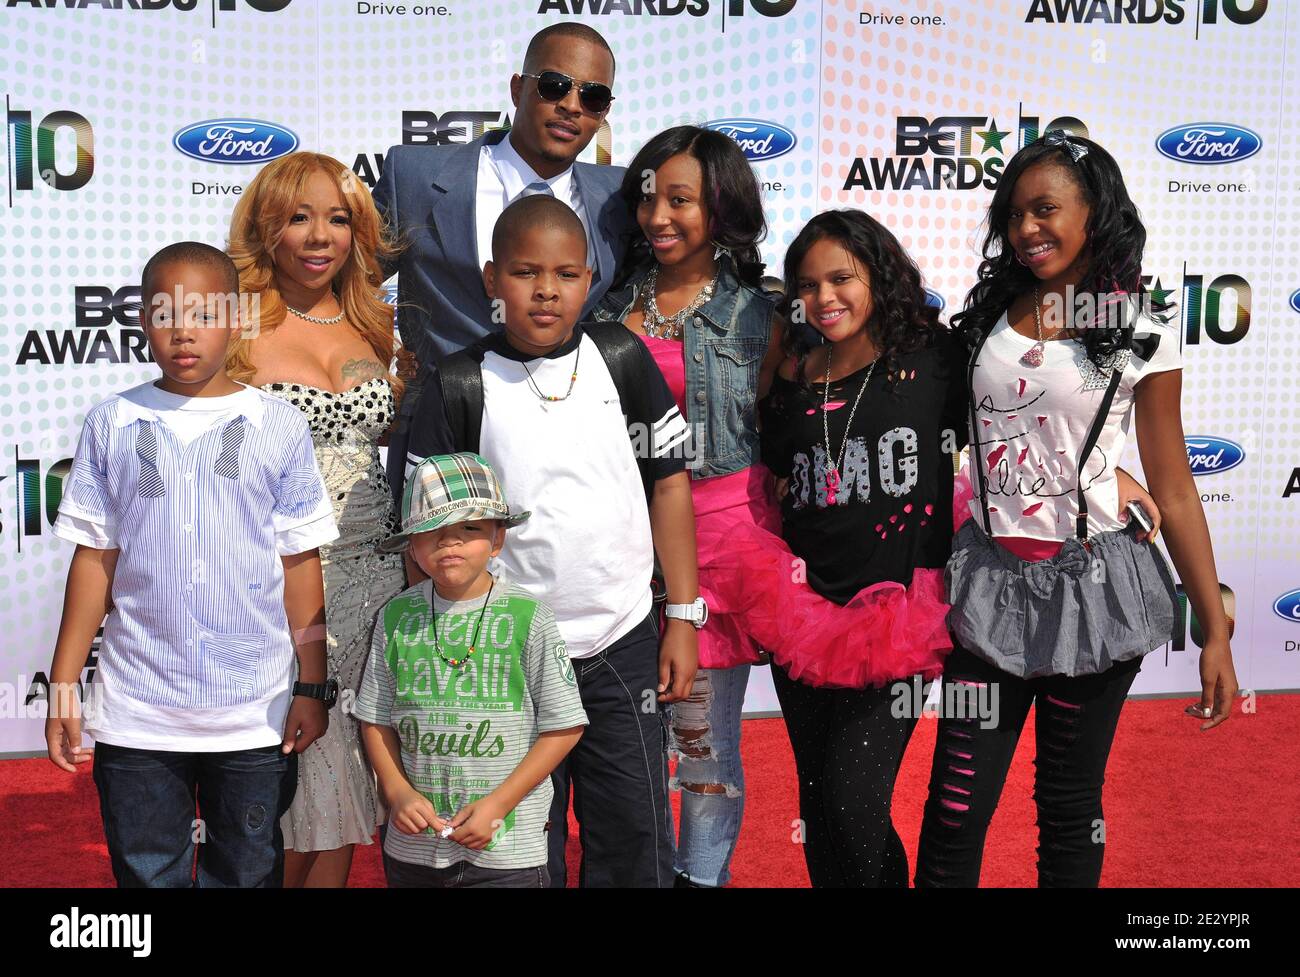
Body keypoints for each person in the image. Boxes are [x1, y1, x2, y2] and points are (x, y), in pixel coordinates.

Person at [914, 133, 1239, 888]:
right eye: (1016, 213)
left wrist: (1214, 629)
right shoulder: (992, 311)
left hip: (1091, 594)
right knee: (954, 807)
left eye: (1047, 209)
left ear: (1095, 212)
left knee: (1069, 809)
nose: (1028, 228)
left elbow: (1176, 483)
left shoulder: (1140, 327)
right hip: (986, 587)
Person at [404, 194, 701, 887]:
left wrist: (683, 614)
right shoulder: (457, 384)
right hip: (501, 657)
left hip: (619, 646)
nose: (545, 290)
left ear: (590, 277)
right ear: (489, 278)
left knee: (635, 836)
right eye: (525, 272)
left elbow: (670, 485)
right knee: (517, 845)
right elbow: (425, 537)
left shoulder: (621, 358)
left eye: (566, 274)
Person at [44, 242, 338, 888]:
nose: (182, 330)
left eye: (202, 311)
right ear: (142, 320)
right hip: (136, 711)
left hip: (253, 713)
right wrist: (65, 685)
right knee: (146, 876)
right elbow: (94, 562)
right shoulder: (112, 422)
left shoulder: (278, 425)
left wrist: (311, 685)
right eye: (164, 312)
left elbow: (300, 563)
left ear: (235, 317)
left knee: (247, 873)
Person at [591, 125, 784, 888]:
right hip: (615, 548)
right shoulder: (605, 303)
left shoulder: (759, 315)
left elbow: (786, 421)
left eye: (682, 200)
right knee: (629, 751)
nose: (659, 216)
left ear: (723, 208)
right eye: (649, 197)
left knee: (703, 753)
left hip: (718, 556)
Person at [757, 211, 965, 887]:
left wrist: (1115, 467)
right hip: (804, 614)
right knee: (819, 805)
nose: (825, 298)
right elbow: (769, 470)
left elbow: (1018, 427)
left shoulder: (934, 357)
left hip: (899, 614)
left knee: (854, 800)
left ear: (878, 273)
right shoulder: (793, 370)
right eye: (810, 285)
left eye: (841, 277)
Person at [226, 151, 408, 887]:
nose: (318, 235)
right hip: (283, 586)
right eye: (298, 216)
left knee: (349, 791)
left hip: (377, 584)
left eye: (337, 218)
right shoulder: (234, 322)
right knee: (299, 790)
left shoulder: (378, 321)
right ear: (266, 225)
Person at [374, 23, 635, 504]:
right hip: (443, 441)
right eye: (555, 85)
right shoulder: (416, 177)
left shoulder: (619, 197)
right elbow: (347, 283)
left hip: (570, 451)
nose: (572, 106)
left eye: (594, 97)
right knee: (437, 580)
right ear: (518, 88)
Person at [354, 452, 587, 888]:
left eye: (470, 529)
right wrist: (397, 791)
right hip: (415, 848)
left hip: (509, 848)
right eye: (433, 532)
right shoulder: (395, 616)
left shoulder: (529, 616)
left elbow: (564, 727)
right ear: (412, 545)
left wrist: (499, 804)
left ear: (498, 540)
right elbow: (374, 718)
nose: (450, 543)